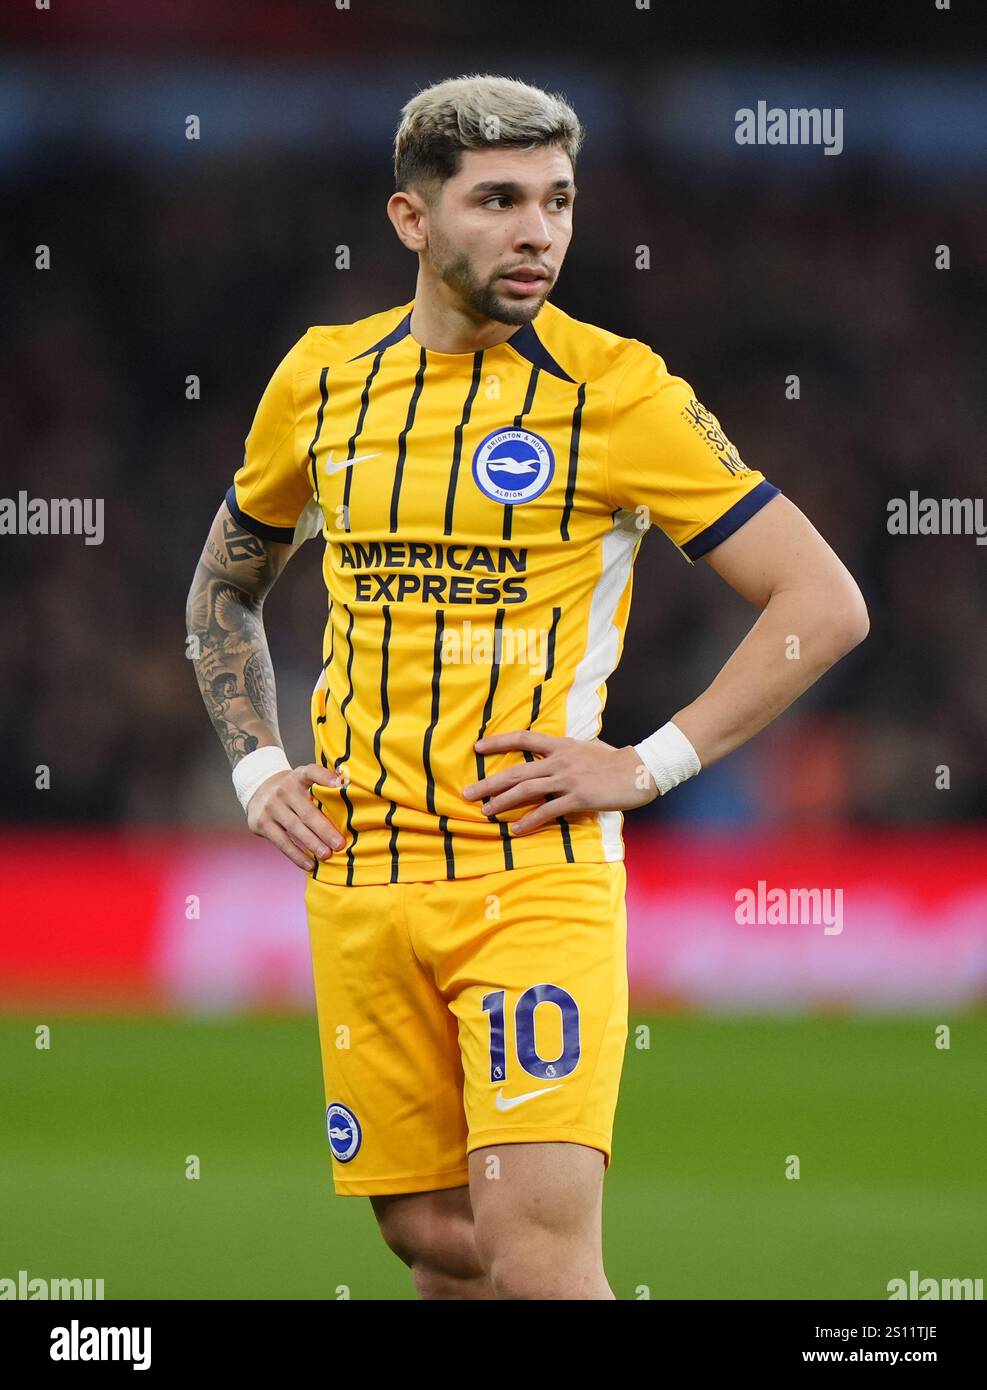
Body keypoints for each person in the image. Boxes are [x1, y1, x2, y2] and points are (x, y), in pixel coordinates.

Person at [186, 73, 869, 1300]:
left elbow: (822, 605)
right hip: (357, 873)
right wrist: (254, 764)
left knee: (538, 1258)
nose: (538, 232)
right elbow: (224, 590)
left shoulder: (619, 391)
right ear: (411, 220)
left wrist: (646, 763)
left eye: (557, 201)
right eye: (498, 200)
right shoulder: (323, 379)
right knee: (435, 1250)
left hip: (530, 875)